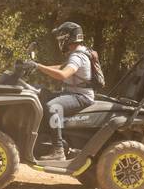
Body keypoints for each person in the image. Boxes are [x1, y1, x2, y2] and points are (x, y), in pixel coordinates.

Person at [33, 21, 97, 159]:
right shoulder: (78, 52)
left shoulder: (77, 56)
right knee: (41, 93)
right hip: (73, 94)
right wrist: (37, 66)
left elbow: (63, 74)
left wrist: (39, 67)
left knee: (53, 107)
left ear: (70, 37)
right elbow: (61, 67)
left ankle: (58, 150)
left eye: (62, 37)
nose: (60, 40)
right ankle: (43, 139)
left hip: (81, 96)